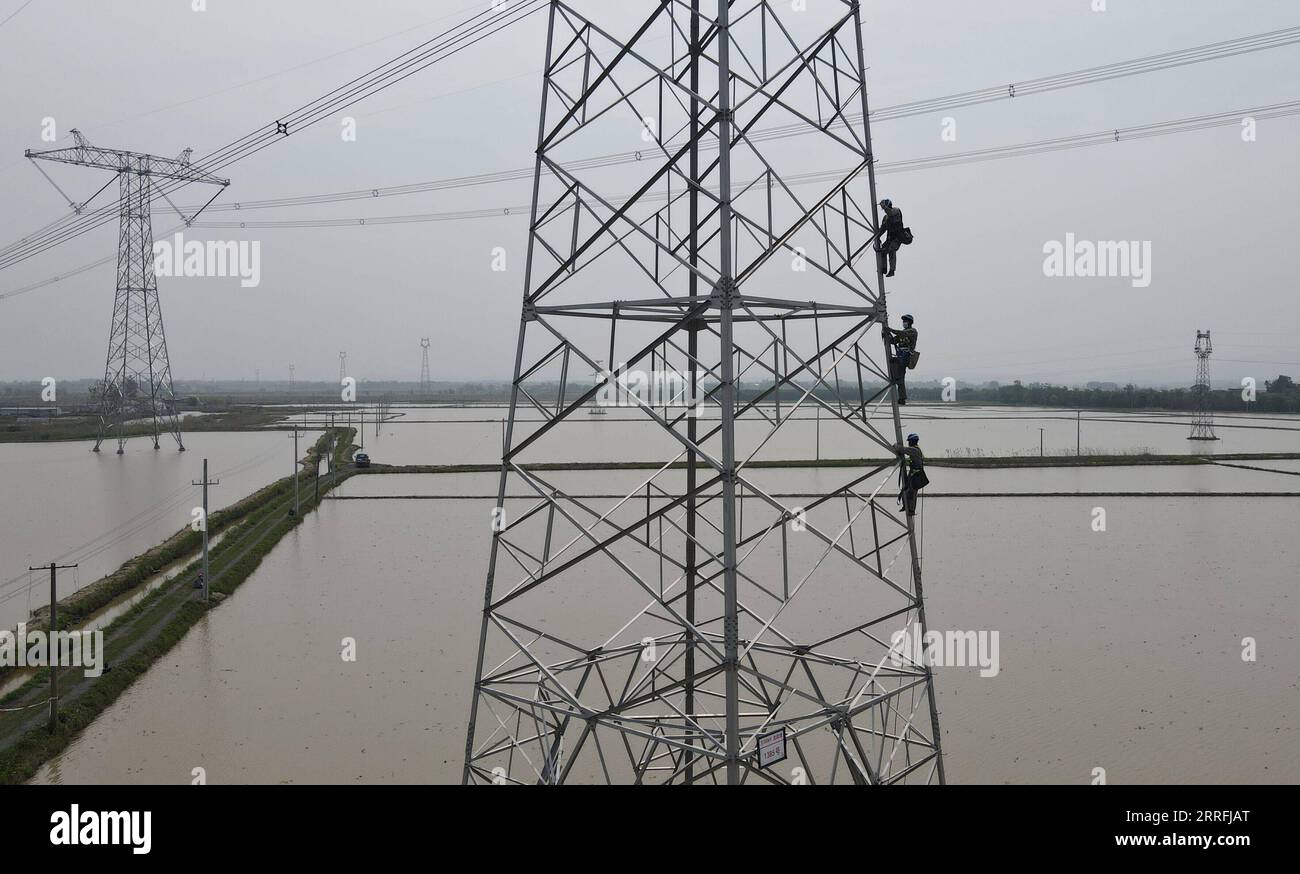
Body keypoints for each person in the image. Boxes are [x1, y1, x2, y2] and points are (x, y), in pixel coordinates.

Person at [884, 314, 917, 405]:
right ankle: (902, 398)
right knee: (899, 376)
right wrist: (886, 334)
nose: (904, 323)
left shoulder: (912, 331)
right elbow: (893, 341)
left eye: (905, 321)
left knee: (900, 374)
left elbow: (901, 333)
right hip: (900, 355)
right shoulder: (901, 333)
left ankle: (902, 398)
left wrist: (890, 330)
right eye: (903, 321)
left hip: (906, 356)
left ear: (910, 322)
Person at [874, 198, 906, 277]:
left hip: (897, 237)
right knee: (883, 251)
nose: (883, 209)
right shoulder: (885, 218)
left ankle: (892, 270)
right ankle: (884, 268)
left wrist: (884, 206)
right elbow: (883, 229)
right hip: (890, 238)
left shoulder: (896, 210)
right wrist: (877, 237)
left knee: (891, 249)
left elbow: (891, 213)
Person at [899, 433, 929, 516]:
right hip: (914, 474)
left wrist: (895, 446)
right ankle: (906, 506)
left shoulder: (914, 450)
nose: (908, 443)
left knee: (911, 493)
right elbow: (912, 460)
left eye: (909, 441)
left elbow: (902, 449)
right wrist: (906, 462)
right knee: (906, 490)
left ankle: (911, 510)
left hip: (916, 475)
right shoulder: (916, 450)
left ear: (913, 441)